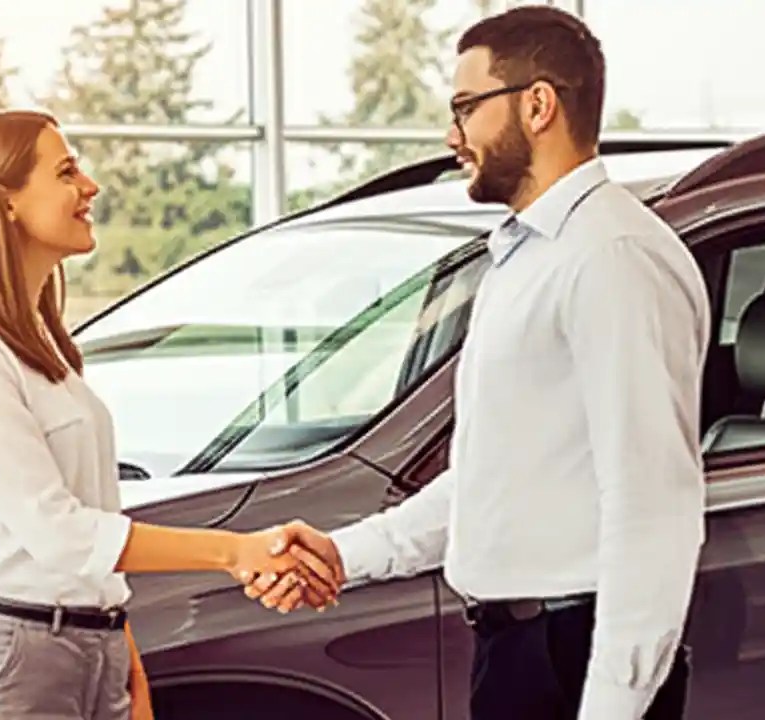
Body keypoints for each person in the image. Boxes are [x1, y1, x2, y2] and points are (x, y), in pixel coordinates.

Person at [244, 6, 710, 720]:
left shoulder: (611, 259)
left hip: (575, 659)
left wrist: (614, 706)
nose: (451, 134)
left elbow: (653, 507)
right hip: (521, 651)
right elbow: (500, 476)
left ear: (538, 104)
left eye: (466, 107)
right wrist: (350, 553)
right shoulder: (529, 256)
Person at [0, 109, 337, 720]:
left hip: (90, 644)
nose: (90, 187)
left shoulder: (37, 339)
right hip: (8, 659)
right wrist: (236, 552)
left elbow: (91, 523)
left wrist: (121, 648)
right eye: (66, 171)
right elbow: (59, 531)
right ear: (4, 202)